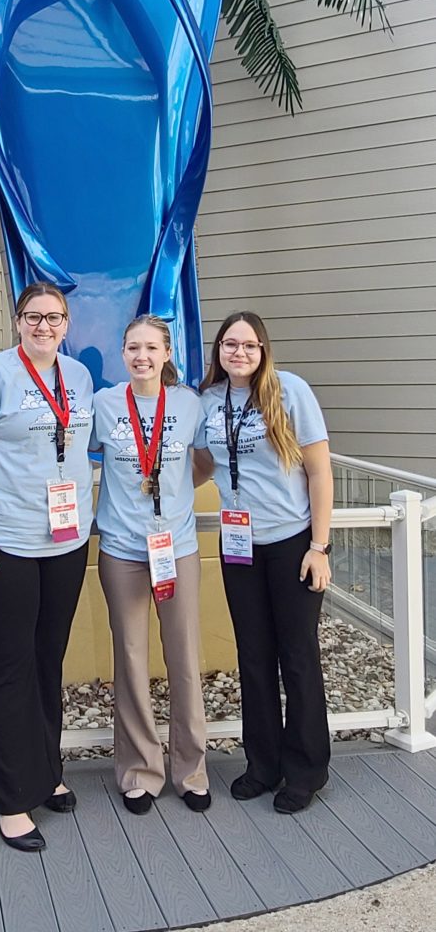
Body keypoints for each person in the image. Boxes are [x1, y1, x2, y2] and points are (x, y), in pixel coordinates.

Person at [0, 282, 94, 851]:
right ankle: (10, 799)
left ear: (66, 323)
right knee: (10, 666)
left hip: (65, 543)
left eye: (55, 317)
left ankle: (46, 771)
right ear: (17, 321)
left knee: (48, 660)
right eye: (34, 317)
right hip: (4, 544)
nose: (45, 327)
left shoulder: (77, 378)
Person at [194, 311, 333, 814]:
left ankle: (305, 770)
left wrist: (320, 547)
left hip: (292, 543)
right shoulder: (209, 401)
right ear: (219, 351)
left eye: (249, 345)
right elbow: (205, 463)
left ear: (263, 350)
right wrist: (156, 492)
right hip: (239, 546)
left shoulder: (289, 391)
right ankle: (263, 764)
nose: (239, 353)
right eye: (230, 345)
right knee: (253, 656)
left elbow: (319, 471)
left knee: (296, 657)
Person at [92, 314, 211, 814]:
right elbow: (79, 460)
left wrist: (174, 498)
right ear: (123, 354)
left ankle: (191, 770)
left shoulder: (189, 405)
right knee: (132, 660)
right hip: (122, 551)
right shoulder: (103, 404)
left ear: (167, 354)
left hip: (176, 549)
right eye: (132, 348)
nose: (141, 356)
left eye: (151, 348)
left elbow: (204, 461)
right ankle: (140, 769)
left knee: (184, 658)